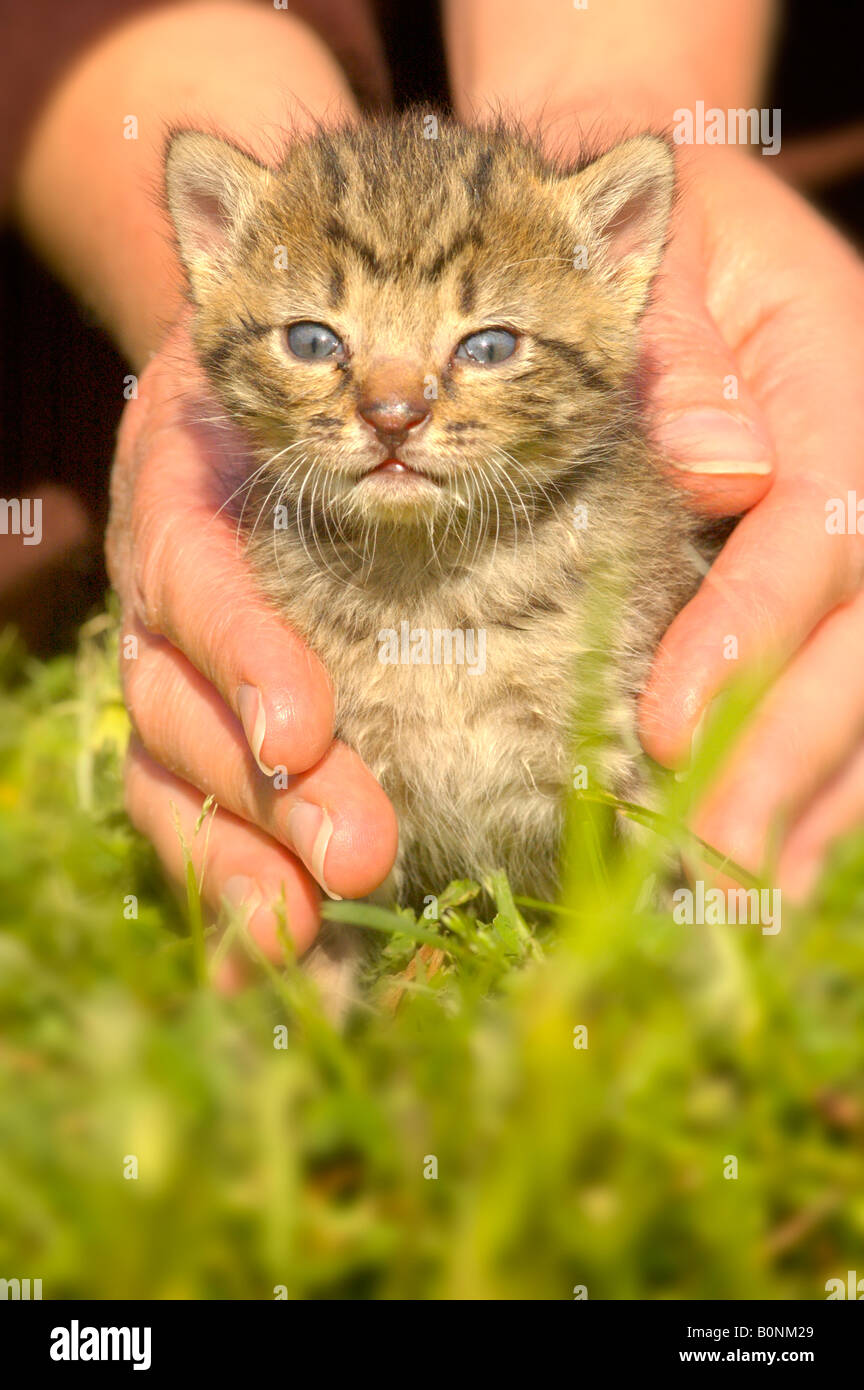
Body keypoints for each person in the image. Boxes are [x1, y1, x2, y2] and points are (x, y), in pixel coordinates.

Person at [8, 1, 864, 982]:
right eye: (316, 341)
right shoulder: (275, 553)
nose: (392, 403)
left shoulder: (620, 549)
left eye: (487, 345)